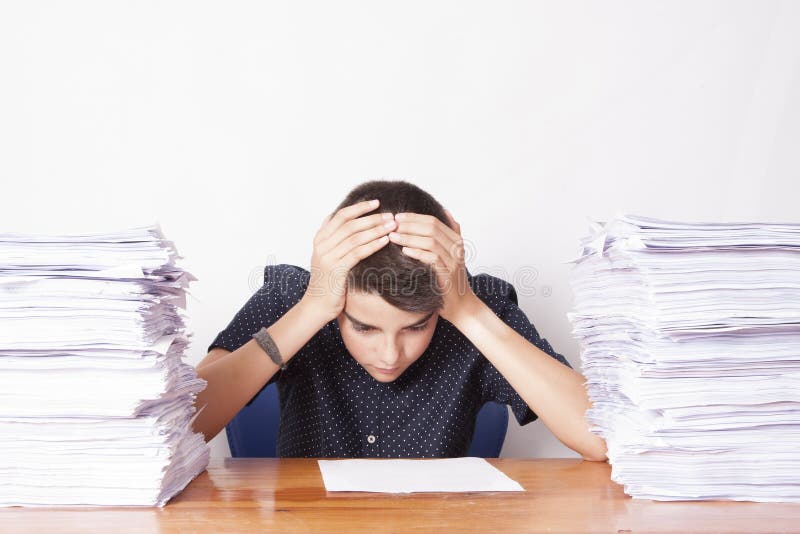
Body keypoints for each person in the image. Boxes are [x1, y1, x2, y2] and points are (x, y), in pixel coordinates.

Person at [191, 180, 607, 461]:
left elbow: (602, 438)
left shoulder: (477, 305)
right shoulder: (293, 297)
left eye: (416, 326)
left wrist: (467, 312)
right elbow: (183, 423)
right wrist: (313, 309)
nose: (389, 354)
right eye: (364, 327)